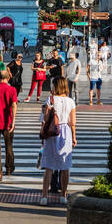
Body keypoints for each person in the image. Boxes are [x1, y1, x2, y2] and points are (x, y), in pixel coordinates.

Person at [39, 76, 77, 205]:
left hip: (51, 133)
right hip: (65, 132)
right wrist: (74, 137)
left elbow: (44, 120)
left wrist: (42, 134)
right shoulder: (71, 101)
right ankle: (63, 196)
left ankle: (44, 197)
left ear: (55, 86)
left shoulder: (49, 100)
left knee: (49, 167)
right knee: (65, 167)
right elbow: (72, 122)